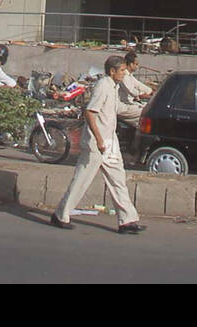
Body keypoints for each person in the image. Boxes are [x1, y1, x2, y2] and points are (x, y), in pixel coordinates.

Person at [51, 56, 144, 235]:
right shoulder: (103, 86)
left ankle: (127, 220)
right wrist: (100, 140)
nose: (125, 73)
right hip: (97, 142)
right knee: (81, 181)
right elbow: (90, 113)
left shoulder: (114, 86)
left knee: (118, 180)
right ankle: (60, 215)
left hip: (110, 141)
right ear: (112, 71)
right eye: (122, 70)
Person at [117, 50, 153, 123]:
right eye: (136, 64)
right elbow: (133, 92)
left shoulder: (130, 76)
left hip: (129, 104)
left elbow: (139, 84)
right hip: (122, 106)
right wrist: (151, 96)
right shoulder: (124, 76)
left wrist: (151, 91)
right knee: (149, 112)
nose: (138, 66)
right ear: (131, 64)